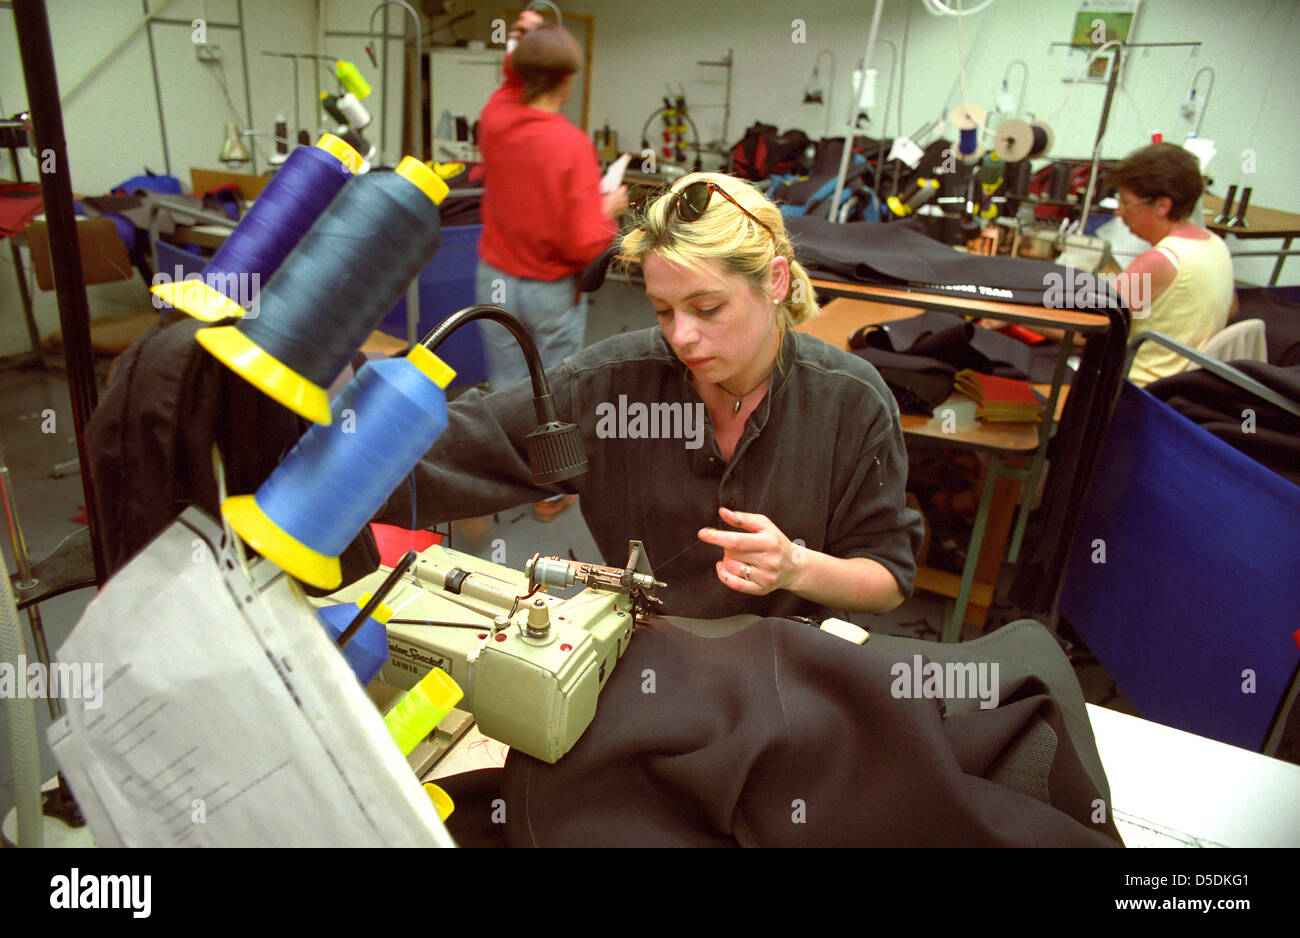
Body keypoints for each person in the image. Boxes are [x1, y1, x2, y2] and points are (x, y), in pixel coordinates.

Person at [380, 172, 924, 620]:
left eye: (707, 308)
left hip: (790, 677)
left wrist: (796, 567)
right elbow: (444, 453)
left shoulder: (851, 403)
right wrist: (321, 458)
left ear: (776, 280)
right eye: (663, 310)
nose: (681, 335)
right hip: (655, 662)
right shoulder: (608, 387)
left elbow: (887, 580)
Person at [475, 11, 626, 521]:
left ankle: (504, 477)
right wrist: (609, 209)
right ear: (565, 81)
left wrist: (521, 39)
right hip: (548, 289)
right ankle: (550, 488)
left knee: (507, 384)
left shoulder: (494, 120)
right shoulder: (570, 145)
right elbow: (586, 243)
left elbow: (507, 82)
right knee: (552, 390)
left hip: (494, 278)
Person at [1107, 142, 1237, 386]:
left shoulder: (1161, 261)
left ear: (1162, 205)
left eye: (1125, 202)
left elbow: (1093, 325)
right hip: (1187, 385)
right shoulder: (1215, 245)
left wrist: (1016, 317)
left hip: (1139, 389)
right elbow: (1231, 308)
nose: (1119, 212)